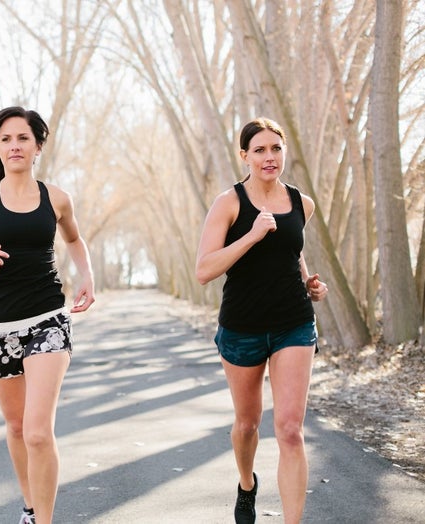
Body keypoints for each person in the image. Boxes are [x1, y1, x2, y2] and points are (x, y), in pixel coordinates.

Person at [0, 106, 95, 524]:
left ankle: (44, 520)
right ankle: (30, 508)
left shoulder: (57, 198)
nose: (14, 146)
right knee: (16, 427)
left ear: (38, 146)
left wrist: (87, 277)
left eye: (22, 138)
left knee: (38, 431)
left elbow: (76, 240)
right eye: (5, 139)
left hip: (47, 321)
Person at [195, 117, 328, 524]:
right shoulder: (229, 203)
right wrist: (251, 235)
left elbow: (290, 251)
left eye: (276, 148)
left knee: (289, 429)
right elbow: (203, 269)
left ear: (284, 152)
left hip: (294, 322)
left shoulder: (301, 202)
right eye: (259, 150)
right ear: (245, 156)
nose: (269, 157)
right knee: (248, 424)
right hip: (242, 325)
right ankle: (247, 483)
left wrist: (309, 281)